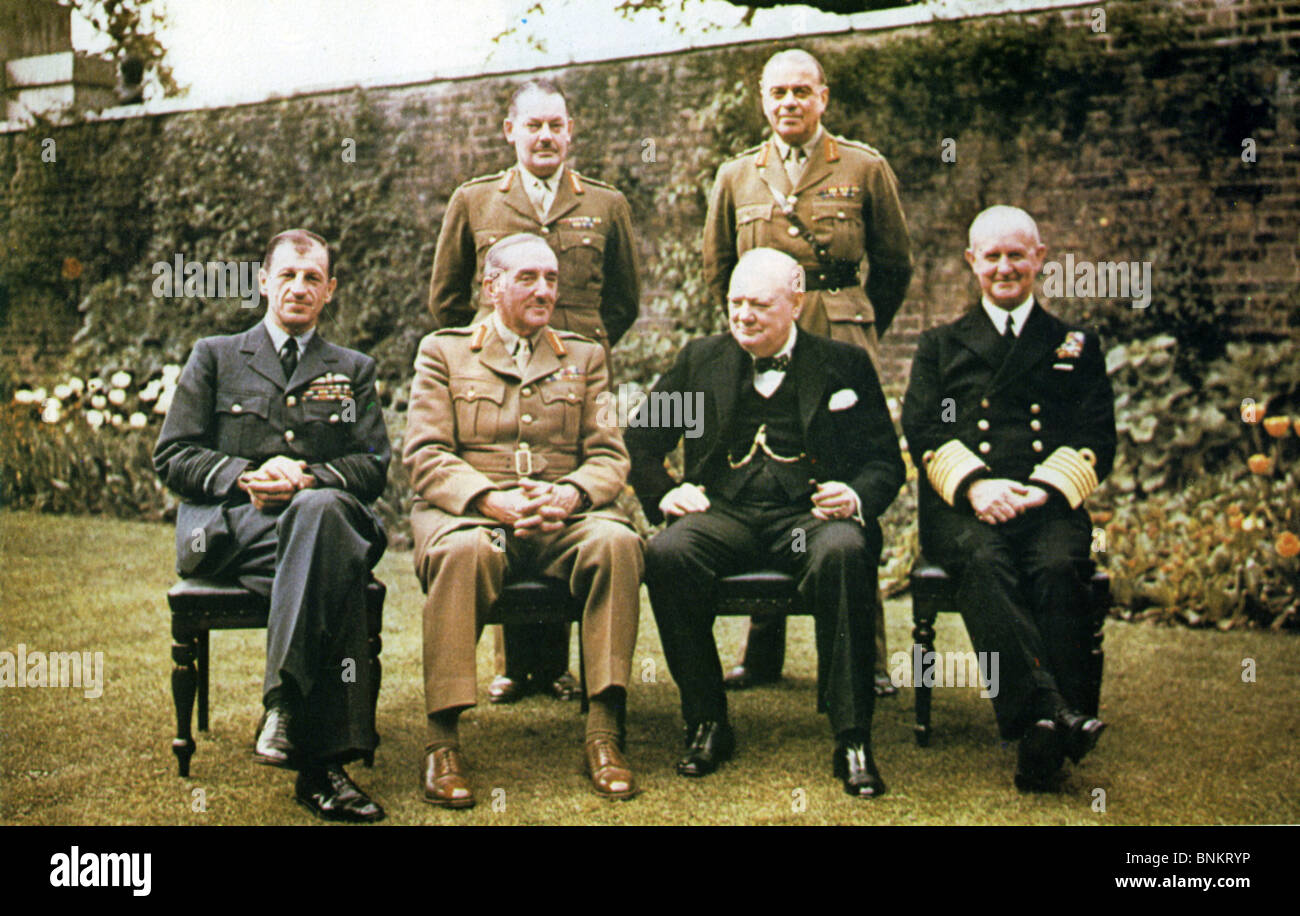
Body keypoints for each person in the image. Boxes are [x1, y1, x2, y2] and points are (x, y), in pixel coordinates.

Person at [627, 248, 903, 798]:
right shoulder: (701, 359)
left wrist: (854, 493)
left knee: (846, 552)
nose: (743, 315)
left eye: (758, 304)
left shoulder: (842, 364)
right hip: (723, 515)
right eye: (735, 302)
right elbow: (640, 441)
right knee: (667, 554)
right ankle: (707, 720)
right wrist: (668, 493)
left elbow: (884, 461)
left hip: (809, 518)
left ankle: (852, 737)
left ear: (796, 302)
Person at [154, 229, 390, 822]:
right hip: (237, 535)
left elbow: (372, 467)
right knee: (331, 559)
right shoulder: (216, 354)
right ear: (263, 282)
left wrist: (308, 477)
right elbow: (173, 454)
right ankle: (323, 770)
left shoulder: (353, 369)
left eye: (313, 278)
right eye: (287, 275)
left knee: (320, 517)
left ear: (330, 290)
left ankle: (283, 709)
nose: (298, 288)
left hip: (316, 523)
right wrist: (245, 475)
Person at [406, 233, 644, 807]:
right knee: (465, 554)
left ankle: (604, 733)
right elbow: (426, 455)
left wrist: (568, 496)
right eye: (529, 278)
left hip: (562, 517)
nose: (545, 291)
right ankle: (443, 741)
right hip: (475, 516)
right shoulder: (444, 352)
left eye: (552, 279)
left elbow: (610, 456)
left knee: (616, 542)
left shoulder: (584, 356)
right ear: (491, 287)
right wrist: (491, 501)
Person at [703, 48, 913, 694]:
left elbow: (895, 262)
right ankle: (762, 648)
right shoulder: (738, 176)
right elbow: (718, 269)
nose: (789, 103)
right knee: (765, 475)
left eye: (802, 91)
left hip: (840, 329)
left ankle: (865, 656)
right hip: (764, 339)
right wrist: (757, 326)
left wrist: (854, 320)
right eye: (778, 93)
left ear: (824, 97)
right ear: (761, 101)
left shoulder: (862, 167)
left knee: (846, 482)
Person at [428, 78, 642, 703]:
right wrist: (482, 353)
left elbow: (624, 298)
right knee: (506, 488)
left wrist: (583, 350)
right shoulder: (475, 201)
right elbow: (446, 297)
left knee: (567, 504)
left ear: (570, 132)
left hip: (575, 380)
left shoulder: (606, 205)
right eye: (533, 126)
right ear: (511, 132)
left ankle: (560, 669)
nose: (545, 137)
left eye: (556, 126)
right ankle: (517, 668)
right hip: (494, 374)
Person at [901, 205, 1115, 791]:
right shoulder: (940, 345)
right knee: (985, 562)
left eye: (1016, 255)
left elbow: (1096, 436)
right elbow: (922, 429)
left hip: (1046, 503)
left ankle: (1042, 732)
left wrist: (1041, 490)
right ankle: (1056, 714)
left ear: (1039, 258)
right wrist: (976, 485)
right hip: (963, 507)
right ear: (972, 263)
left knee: (1055, 564)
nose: (1004, 268)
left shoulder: (1076, 343)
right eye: (991, 256)